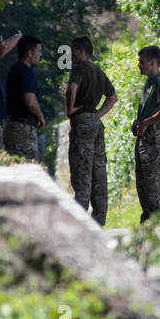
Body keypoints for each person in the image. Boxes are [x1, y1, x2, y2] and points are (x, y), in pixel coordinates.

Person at [65, 36, 118, 226]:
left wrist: (70, 109)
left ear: (81, 51)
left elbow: (71, 89)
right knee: (98, 170)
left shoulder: (79, 69)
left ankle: (80, 222)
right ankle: (99, 219)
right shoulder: (98, 71)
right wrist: (98, 114)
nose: (71, 55)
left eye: (73, 51)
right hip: (96, 124)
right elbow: (113, 97)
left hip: (81, 123)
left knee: (82, 172)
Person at [132, 45, 160, 223]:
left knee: (154, 186)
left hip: (154, 139)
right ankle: (148, 225)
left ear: (153, 62)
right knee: (143, 187)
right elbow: (147, 109)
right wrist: (138, 122)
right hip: (144, 138)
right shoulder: (148, 83)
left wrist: (147, 122)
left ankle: (158, 226)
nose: (139, 65)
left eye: (142, 62)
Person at [5, 35, 45, 161]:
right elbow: (30, 101)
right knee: (27, 167)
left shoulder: (14, 70)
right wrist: (41, 117)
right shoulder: (27, 73)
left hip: (11, 125)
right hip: (23, 129)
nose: (40, 54)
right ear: (29, 53)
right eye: (38, 51)